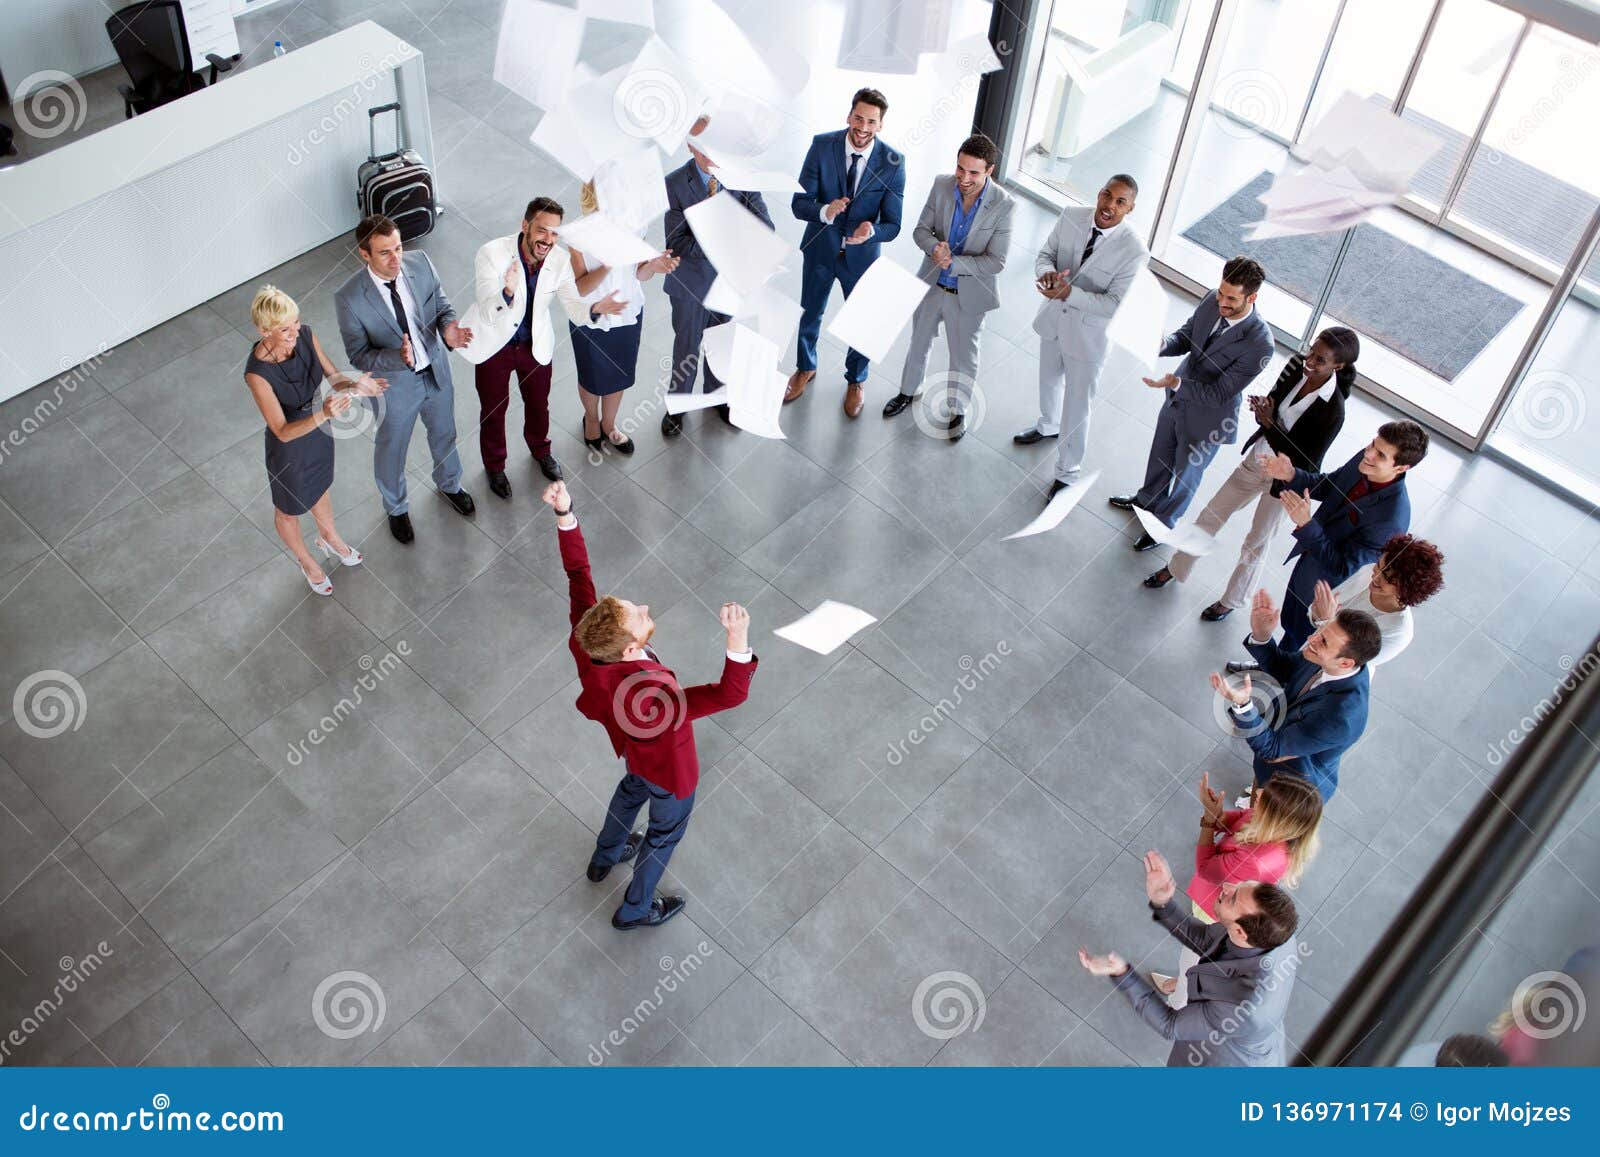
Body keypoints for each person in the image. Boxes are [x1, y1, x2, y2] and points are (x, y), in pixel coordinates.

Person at [544, 479, 758, 930]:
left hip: (635, 753)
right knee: (663, 835)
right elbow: (728, 695)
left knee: (629, 793)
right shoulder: (651, 697)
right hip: (672, 772)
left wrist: (565, 515)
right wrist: (737, 641)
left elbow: (579, 577)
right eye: (639, 615)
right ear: (628, 650)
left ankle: (606, 855)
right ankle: (636, 909)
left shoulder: (588, 641)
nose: (644, 605)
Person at [1145, 328, 1357, 620]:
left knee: (1256, 542)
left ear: (1338, 366)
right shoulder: (1296, 365)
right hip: (1256, 461)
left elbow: (1306, 459)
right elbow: (1273, 402)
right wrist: (1263, 411)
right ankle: (1176, 568)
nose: (1309, 360)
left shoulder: (1334, 411)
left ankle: (1232, 600)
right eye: (1311, 351)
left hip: (1286, 484)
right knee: (1210, 515)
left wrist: (1271, 424)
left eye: (1320, 360)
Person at [1109, 256, 1274, 548]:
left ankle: (1162, 525)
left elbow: (1221, 393)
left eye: (1231, 298)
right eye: (1221, 292)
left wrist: (1177, 383)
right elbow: (1187, 337)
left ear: (1252, 297)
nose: (1222, 301)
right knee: (1161, 452)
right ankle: (1146, 500)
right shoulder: (1213, 299)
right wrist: (1161, 344)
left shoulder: (1260, 343)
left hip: (1210, 418)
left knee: (1187, 475)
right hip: (1177, 397)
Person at [1079, 850, 1301, 1067]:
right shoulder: (1273, 931)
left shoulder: (1243, 1007)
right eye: (1240, 886)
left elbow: (1170, 1025)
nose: (1226, 887)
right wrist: (1163, 902)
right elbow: (1205, 939)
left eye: (1233, 898)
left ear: (1240, 933)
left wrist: (1122, 973)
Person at [335, 214, 475, 544]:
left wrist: (449, 328)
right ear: (364, 254)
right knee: (392, 448)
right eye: (385, 252)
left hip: (436, 370)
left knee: (445, 432)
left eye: (398, 247)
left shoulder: (421, 262)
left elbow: (440, 304)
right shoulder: (349, 298)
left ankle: (450, 484)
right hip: (394, 387)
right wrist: (395, 358)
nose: (396, 258)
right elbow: (358, 355)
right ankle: (396, 507)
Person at [243, 286, 385, 594]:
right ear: (264, 330)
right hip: (290, 444)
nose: (295, 331)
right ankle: (306, 560)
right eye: (285, 329)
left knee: (320, 486)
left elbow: (334, 376)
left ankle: (330, 537)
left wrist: (358, 386)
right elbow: (280, 429)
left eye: (295, 322)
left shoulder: (305, 334)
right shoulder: (256, 373)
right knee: (288, 509)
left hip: (320, 429)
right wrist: (323, 414)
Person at [1017, 174, 1147, 498]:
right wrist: (1045, 274)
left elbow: (1115, 304)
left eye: (1120, 202)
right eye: (1107, 195)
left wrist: (1068, 294)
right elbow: (1045, 255)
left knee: (1077, 405)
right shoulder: (1071, 216)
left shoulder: (1135, 252)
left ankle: (1068, 472)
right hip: (1053, 323)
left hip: (1089, 340)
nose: (1109, 205)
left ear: (1130, 208)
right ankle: (1048, 425)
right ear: (1100, 192)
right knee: (1048, 380)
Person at [457, 197, 592, 499]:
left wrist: (596, 311)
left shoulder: (559, 259)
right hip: (496, 346)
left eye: (555, 233)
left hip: (534, 345)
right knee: (494, 409)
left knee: (538, 404)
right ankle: (494, 466)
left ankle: (540, 450)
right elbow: (486, 309)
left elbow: (573, 306)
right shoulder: (492, 253)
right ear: (525, 225)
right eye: (542, 231)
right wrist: (507, 290)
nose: (548, 240)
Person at [882, 132, 1013, 441]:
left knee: (963, 356)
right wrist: (934, 250)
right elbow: (920, 231)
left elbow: (996, 261)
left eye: (973, 172)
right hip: (931, 284)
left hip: (968, 296)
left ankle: (958, 409)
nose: (963, 178)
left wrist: (953, 262)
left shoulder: (1004, 206)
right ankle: (908, 392)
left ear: (989, 171)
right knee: (919, 341)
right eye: (960, 168)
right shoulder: (942, 184)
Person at [1254, 419, 1428, 651]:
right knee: (1290, 624)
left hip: (1328, 591)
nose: (1369, 454)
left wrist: (1306, 524)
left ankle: (1281, 679)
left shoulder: (1390, 520)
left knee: (1306, 641)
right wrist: (1291, 474)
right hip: (1308, 564)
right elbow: (1330, 485)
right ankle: (1270, 670)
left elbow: (1342, 567)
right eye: (1372, 445)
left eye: (1381, 455)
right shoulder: (1366, 459)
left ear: (1401, 468)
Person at [1155, 771, 1322, 1010]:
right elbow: (1237, 820)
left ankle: (1177, 1003)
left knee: (1192, 960)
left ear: (1276, 818)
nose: (1259, 792)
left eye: (1266, 797)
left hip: (1216, 911)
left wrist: (1208, 820)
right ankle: (1180, 983)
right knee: (1194, 960)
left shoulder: (1256, 859)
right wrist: (1216, 814)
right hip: (1222, 901)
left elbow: (1205, 867)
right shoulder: (1272, 828)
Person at [785, 87, 906, 417]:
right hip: (820, 249)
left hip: (861, 258)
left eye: (871, 122)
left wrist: (872, 232)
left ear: (881, 125)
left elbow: (894, 225)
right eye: (858, 118)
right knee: (810, 311)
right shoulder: (821, 145)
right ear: (848, 116)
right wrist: (825, 211)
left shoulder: (894, 163)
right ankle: (804, 367)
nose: (863, 127)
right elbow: (799, 203)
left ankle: (856, 379)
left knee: (862, 320)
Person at [1211, 589, 1382, 801]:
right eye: (1322, 630)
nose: (1312, 638)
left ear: (1346, 663)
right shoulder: (1325, 659)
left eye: (1324, 641)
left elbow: (1272, 750)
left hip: (1291, 790)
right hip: (1270, 763)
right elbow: (1285, 669)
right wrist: (1262, 635)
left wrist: (1244, 706)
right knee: (1255, 798)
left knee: (1256, 827)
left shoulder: (1341, 717)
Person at [661, 122, 774, 437]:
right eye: (703, 145)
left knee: (721, 341)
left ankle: (717, 397)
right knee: (687, 346)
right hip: (689, 283)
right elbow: (677, 243)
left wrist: (726, 233)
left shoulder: (741, 177)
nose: (712, 153)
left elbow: (765, 227)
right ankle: (678, 405)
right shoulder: (674, 185)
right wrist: (723, 234)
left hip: (728, 281)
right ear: (690, 146)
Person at [567, 180, 679, 457]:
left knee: (619, 374)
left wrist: (653, 265)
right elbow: (579, 287)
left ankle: (609, 423)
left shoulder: (634, 226)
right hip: (592, 316)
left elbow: (639, 273)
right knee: (592, 376)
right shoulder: (577, 235)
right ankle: (591, 420)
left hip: (628, 313)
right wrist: (607, 263)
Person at [1308, 533, 1445, 668]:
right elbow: (1316, 613)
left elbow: (1350, 666)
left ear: (1405, 589)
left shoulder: (1397, 631)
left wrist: (1325, 621)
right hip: (1308, 651)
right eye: (1379, 565)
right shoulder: (1367, 573)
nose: (1376, 576)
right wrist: (1318, 616)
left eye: (1386, 577)